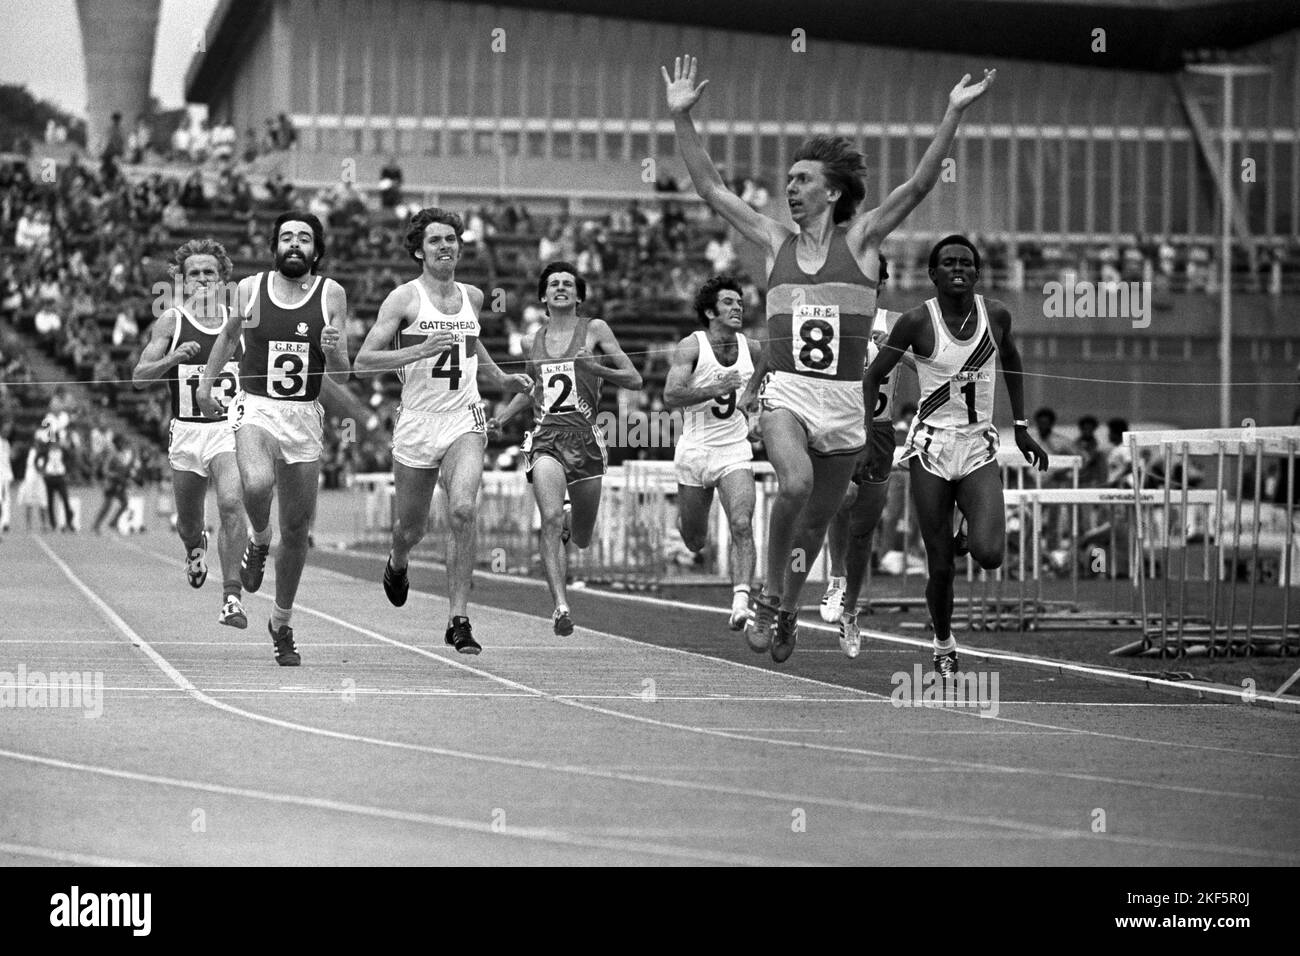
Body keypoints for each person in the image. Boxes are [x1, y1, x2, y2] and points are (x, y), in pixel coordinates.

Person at [664, 54, 997, 663]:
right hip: (787, 392)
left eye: (802, 180)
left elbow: (920, 186)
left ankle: (789, 611)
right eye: (788, 180)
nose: (789, 188)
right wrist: (683, 118)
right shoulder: (773, 241)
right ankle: (766, 598)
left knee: (817, 527)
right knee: (792, 482)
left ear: (833, 190)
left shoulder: (863, 241)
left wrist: (952, 112)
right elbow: (711, 189)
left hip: (846, 404)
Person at [863, 235, 1048, 676]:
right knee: (940, 565)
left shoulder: (996, 315)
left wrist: (1021, 428)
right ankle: (943, 643)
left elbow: (1013, 362)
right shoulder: (915, 322)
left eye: (966, 262)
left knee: (990, 554)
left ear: (977, 271)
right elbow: (872, 378)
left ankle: (968, 531)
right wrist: (867, 435)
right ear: (933, 273)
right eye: (948, 263)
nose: (958, 269)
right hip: (930, 449)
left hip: (978, 446)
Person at [354, 208, 532, 654]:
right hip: (417, 420)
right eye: (435, 240)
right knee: (410, 527)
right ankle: (398, 561)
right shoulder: (403, 300)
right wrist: (419, 351)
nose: (446, 246)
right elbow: (362, 362)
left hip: (463, 418)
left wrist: (501, 379)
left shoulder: (472, 296)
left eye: (451, 238)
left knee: (463, 511)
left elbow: (473, 348)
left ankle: (459, 619)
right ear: (419, 250)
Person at [197, 212, 351, 665]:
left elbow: (342, 372)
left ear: (316, 250)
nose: (294, 244)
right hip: (257, 406)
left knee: (299, 532)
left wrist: (333, 346)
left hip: (304, 415)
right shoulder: (251, 290)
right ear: (275, 247)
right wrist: (206, 384)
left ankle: (281, 623)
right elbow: (227, 339)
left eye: (304, 238)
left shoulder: (331, 294)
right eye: (286, 237)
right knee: (258, 484)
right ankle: (259, 538)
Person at [490, 262, 642, 635]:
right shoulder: (532, 340)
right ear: (543, 296)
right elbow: (533, 390)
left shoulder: (595, 330)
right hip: (546, 439)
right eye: (553, 284)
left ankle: (573, 521)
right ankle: (560, 605)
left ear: (578, 295)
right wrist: (504, 418)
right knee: (551, 519)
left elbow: (634, 379)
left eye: (567, 284)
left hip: (586, 440)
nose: (560, 288)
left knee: (582, 537)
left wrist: (596, 368)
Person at [133, 238, 249, 627]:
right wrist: (171, 358)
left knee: (232, 503)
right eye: (194, 273)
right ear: (181, 279)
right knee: (188, 523)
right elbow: (137, 378)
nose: (202, 279)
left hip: (228, 431)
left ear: (223, 279)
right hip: (186, 434)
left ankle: (231, 596)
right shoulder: (172, 321)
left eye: (209, 273)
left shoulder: (239, 322)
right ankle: (194, 547)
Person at [818, 255, 916, 657]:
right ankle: (836, 580)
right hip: (840, 425)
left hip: (879, 430)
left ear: (879, 285)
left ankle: (852, 613)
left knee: (865, 530)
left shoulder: (896, 324)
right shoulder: (832, 322)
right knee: (840, 501)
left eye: (870, 280)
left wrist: (893, 351)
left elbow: (927, 367)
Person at [662, 276, 761, 633]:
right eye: (729, 302)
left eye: (740, 302)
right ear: (709, 311)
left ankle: (740, 602)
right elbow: (671, 396)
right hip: (695, 450)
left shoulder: (755, 349)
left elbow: (767, 387)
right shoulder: (692, 346)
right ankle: (681, 529)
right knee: (695, 540)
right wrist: (715, 387)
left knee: (740, 523)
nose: (738, 307)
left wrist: (758, 415)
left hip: (734, 450)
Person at [91, 435, 136, 534]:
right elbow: (105, 470)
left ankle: (113, 522)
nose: (123, 444)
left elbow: (124, 469)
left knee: (124, 503)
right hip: (111, 483)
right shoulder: (112, 454)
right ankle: (96, 525)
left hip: (120, 483)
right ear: (117, 443)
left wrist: (127, 475)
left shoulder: (122, 454)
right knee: (107, 505)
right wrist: (114, 475)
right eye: (121, 442)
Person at [34, 422, 74, 532]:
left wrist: (68, 472)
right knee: (50, 501)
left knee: (65, 500)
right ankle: (53, 523)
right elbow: (36, 459)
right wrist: (41, 470)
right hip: (49, 478)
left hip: (60, 477)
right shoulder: (46, 450)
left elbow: (70, 460)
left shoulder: (63, 450)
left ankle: (69, 522)